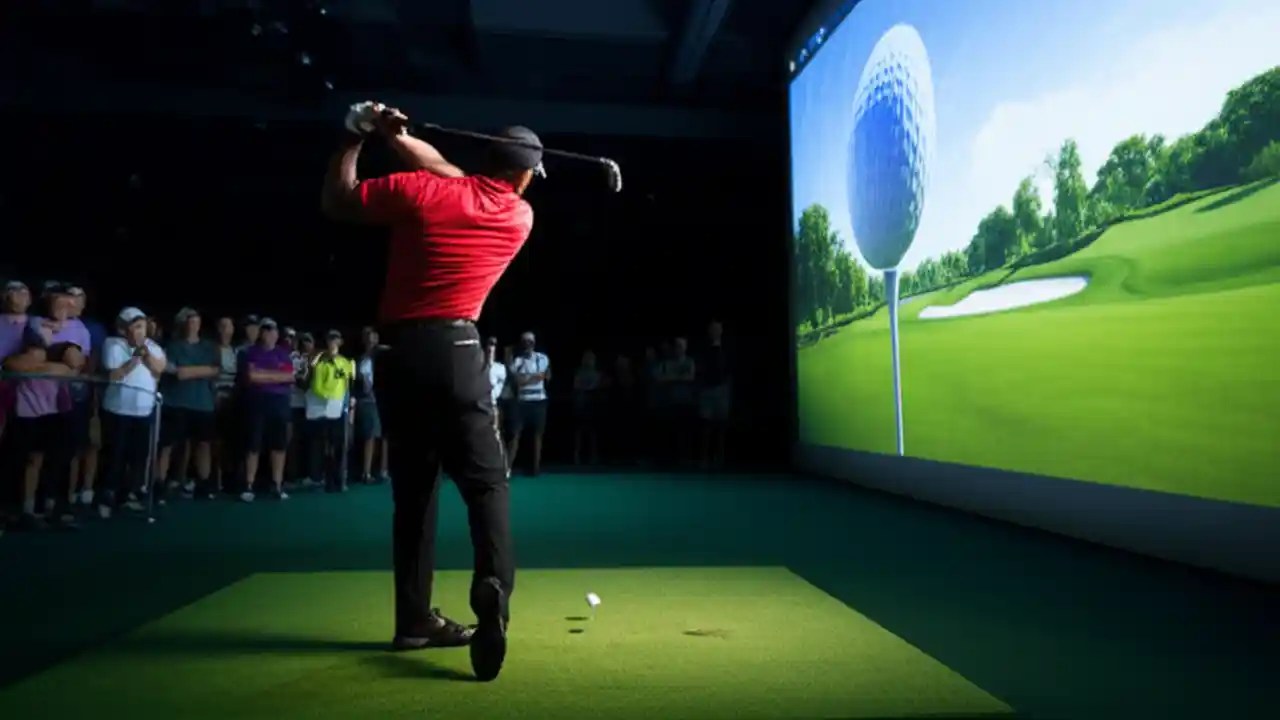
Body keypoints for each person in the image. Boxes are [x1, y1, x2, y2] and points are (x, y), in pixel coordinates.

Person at [322, 101, 543, 681]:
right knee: (486, 484)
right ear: (521, 177)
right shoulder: (519, 215)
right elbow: (457, 177)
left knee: (415, 492)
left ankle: (414, 620)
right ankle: (493, 585)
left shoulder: (422, 191)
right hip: (458, 352)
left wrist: (357, 138)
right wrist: (401, 136)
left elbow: (339, 200)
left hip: (396, 355)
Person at [99, 308, 166, 518]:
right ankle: (106, 498)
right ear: (123, 328)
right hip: (118, 410)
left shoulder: (153, 346)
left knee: (138, 456)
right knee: (114, 455)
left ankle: (129, 496)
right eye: (135, 326)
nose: (139, 330)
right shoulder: (113, 344)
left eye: (142, 325)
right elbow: (116, 373)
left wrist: (145, 353)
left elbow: (159, 369)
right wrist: (137, 353)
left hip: (144, 411)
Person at [158, 307, 221, 500]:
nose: (193, 324)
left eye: (196, 321)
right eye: (189, 321)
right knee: (167, 445)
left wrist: (189, 371)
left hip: (202, 403)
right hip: (175, 402)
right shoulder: (173, 346)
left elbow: (215, 370)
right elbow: (177, 372)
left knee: (203, 444)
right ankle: (158, 484)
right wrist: (202, 370)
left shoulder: (209, 347)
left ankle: (204, 485)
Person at [241, 318, 295, 501]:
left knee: (279, 445)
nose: (271, 334)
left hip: (279, 403)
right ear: (261, 333)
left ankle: (277, 484)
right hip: (257, 403)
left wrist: (265, 375)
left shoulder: (283, 354)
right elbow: (253, 376)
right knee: (254, 445)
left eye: (274, 331)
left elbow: (289, 376)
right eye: (267, 330)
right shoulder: (251, 352)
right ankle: (249, 485)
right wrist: (276, 375)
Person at [306, 330, 355, 493]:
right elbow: (316, 386)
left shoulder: (345, 362)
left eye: (336, 339)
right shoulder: (321, 363)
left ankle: (340, 480)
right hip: (325, 408)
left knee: (341, 445)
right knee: (327, 447)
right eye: (330, 339)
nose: (333, 342)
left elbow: (348, 384)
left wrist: (347, 403)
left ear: (340, 342)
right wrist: (327, 397)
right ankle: (326, 480)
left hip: (341, 408)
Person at [508, 331, 551, 476]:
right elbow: (518, 381)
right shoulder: (517, 361)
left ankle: (535, 469)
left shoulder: (542, 358)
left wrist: (526, 378)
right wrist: (533, 377)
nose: (528, 344)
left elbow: (543, 376)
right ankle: (508, 468)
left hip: (539, 402)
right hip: (521, 403)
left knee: (537, 436)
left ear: (534, 343)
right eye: (525, 341)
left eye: (530, 341)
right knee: (515, 435)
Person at [353, 327, 390, 485]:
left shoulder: (383, 355)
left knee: (385, 436)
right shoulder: (360, 359)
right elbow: (356, 381)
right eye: (367, 335)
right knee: (369, 435)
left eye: (373, 335)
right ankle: (366, 473)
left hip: (383, 399)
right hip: (367, 401)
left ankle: (383, 471)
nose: (371, 338)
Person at [572, 349, 602, 465]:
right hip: (581, 404)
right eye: (587, 358)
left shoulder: (597, 373)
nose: (589, 360)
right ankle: (576, 456)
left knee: (593, 432)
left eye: (591, 358)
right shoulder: (579, 372)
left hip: (593, 404)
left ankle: (594, 456)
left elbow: (597, 385)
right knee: (579, 432)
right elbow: (577, 385)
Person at [485, 337, 507, 434]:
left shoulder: (500, 368)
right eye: (489, 347)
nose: (490, 350)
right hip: (479, 406)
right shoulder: (476, 366)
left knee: (495, 432)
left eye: (493, 346)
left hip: (492, 405)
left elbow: (498, 389)